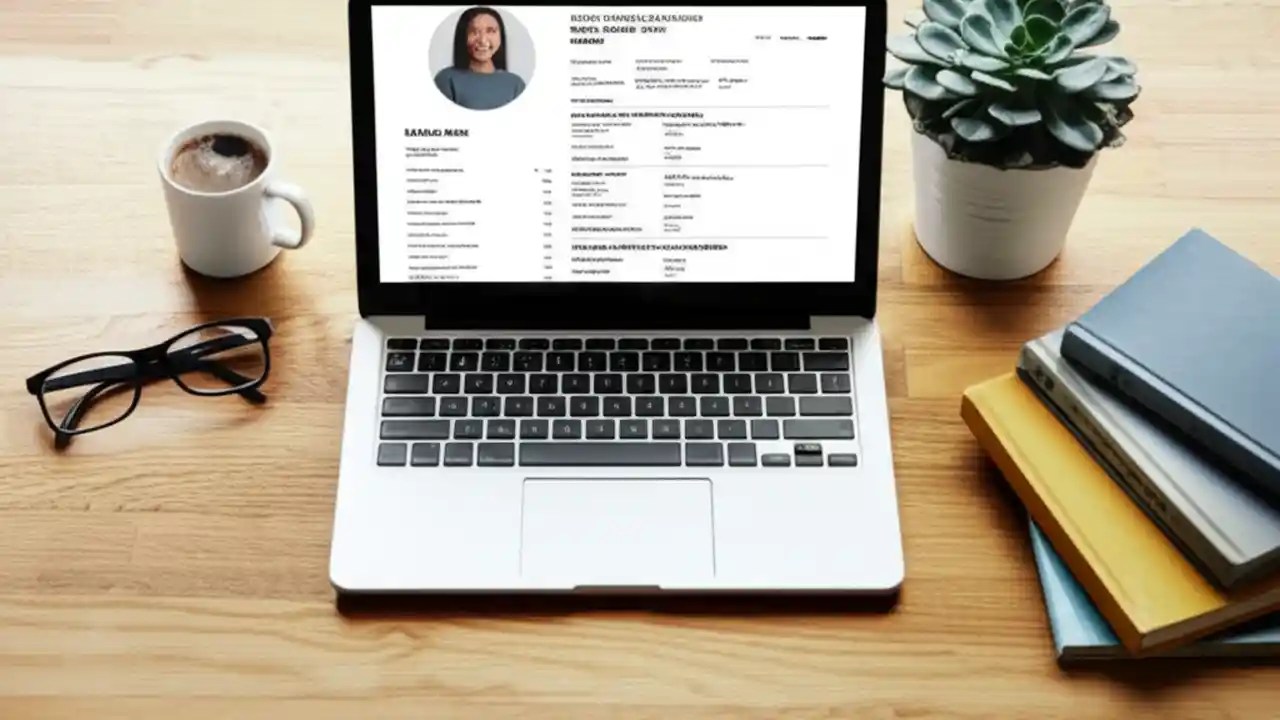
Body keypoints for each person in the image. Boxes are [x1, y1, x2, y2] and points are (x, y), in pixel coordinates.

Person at [434, 7, 526, 111]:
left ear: (501, 36)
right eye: (474, 32)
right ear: (463, 36)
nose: (482, 40)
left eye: (491, 31)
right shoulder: (446, 80)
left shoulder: (516, 84)